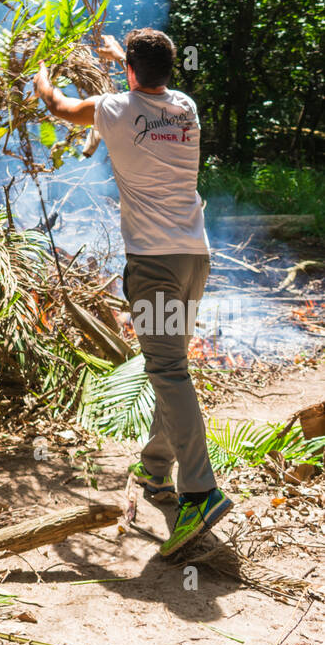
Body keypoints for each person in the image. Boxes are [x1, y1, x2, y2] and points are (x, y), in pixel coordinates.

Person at [34, 27, 232, 557]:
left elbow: (58, 105)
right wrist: (126, 60)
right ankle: (156, 471)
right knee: (173, 366)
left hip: (153, 265)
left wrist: (40, 73)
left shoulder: (112, 109)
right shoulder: (185, 106)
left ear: (128, 73)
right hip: (195, 257)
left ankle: (201, 491)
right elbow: (150, 87)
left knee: (167, 371)